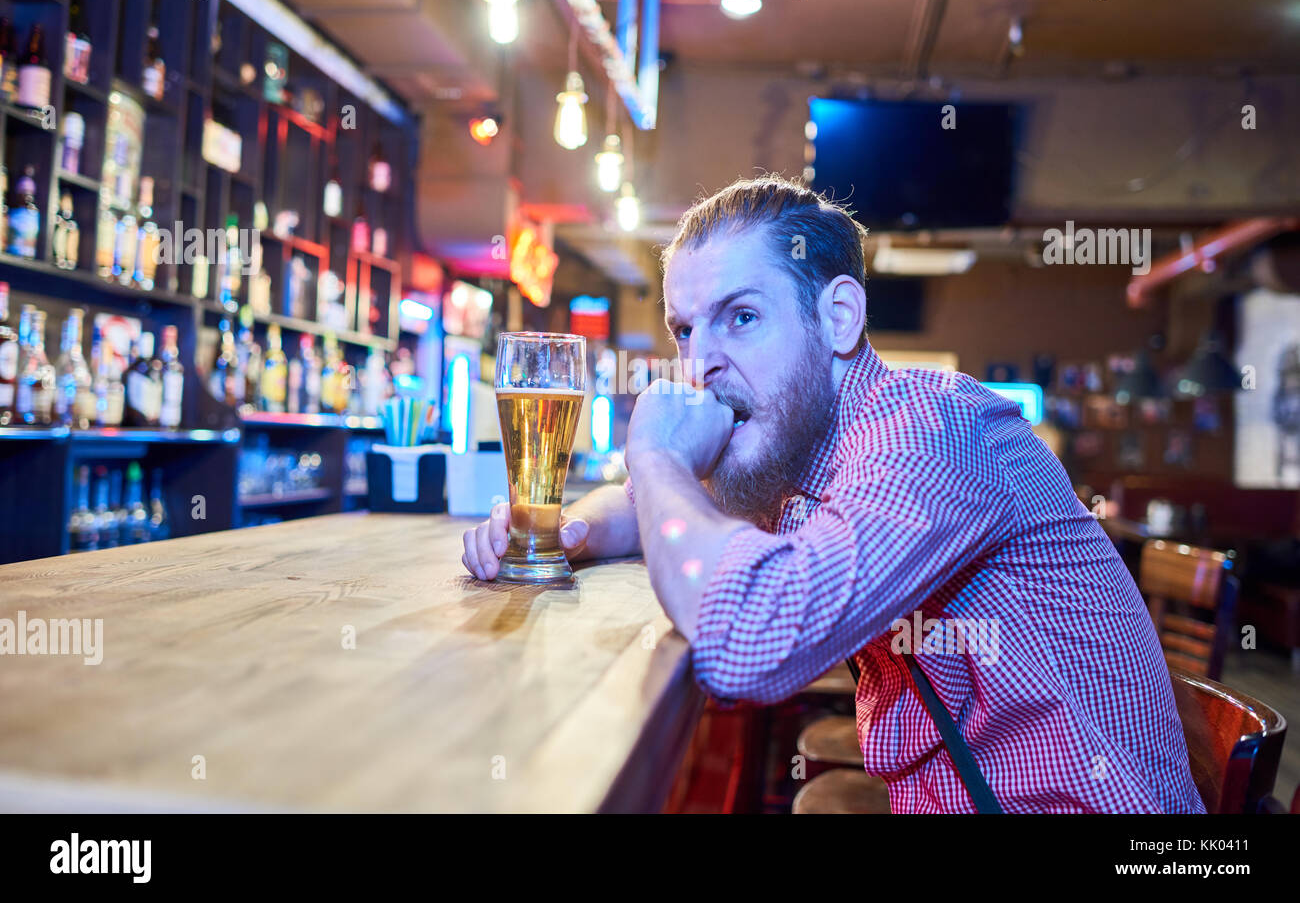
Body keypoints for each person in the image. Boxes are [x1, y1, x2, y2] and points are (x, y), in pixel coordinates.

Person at [461, 174, 1205, 814]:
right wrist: (550, 532)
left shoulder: (930, 427)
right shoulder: (796, 449)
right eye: (686, 330)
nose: (701, 362)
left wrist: (657, 456)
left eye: (741, 317)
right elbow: (635, 505)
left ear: (838, 317)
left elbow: (747, 641)